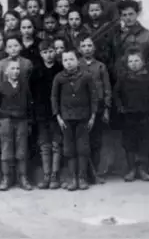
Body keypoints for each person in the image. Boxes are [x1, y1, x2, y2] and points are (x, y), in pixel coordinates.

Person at [51, 50, 98, 191]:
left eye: (71, 59)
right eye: (65, 60)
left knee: (82, 148)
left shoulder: (86, 77)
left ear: (78, 61)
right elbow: (54, 98)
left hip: (83, 117)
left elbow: (93, 97)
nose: (69, 62)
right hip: (66, 119)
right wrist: (58, 116)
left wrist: (93, 116)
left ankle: (82, 178)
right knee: (69, 149)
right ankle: (73, 178)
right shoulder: (59, 78)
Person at [113, 48, 149, 182]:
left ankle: (143, 169)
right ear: (127, 63)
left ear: (143, 62)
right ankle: (131, 169)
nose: (134, 64)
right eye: (131, 61)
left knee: (145, 143)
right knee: (129, 143)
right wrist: (120, 107)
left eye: (137, 61)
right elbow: (116, 95)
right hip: (129, 116)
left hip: (145, 116)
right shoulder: (123, 78)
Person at [0, 60, 33, 191]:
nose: (15, 71)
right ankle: (6, 178)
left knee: (22, 149)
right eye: (12, 69)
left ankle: (23, 178)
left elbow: (29, 105)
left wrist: (29, 122)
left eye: (17, 69)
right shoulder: (1, 86)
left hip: (21, 120)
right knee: (6, 149)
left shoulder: (24, 86)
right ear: (6, 71)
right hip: (5, 121)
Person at [77, 34, 111, 184]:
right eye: (83, 46)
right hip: (81, 108)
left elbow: (107, 88)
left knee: (96, 141)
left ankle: (95, 172)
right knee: (83, 142)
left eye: (89, 45)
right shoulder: (76, 64)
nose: (87, 49)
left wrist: (107, 109)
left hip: (97, 107)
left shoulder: (100, 66)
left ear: (94, 48)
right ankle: (84, 173)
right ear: (79, 49)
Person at [30, 41, 63, 189]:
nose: (48, 55)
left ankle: (55, 175)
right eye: (45, 52)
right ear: (40, 54)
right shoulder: (36, 71)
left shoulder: (61, 69)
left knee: (56, 144)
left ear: (55, 52)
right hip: (41, 113)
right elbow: (30, 94)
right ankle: (46, 175)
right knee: (44, 144)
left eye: (51, 51)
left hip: (58, 113)